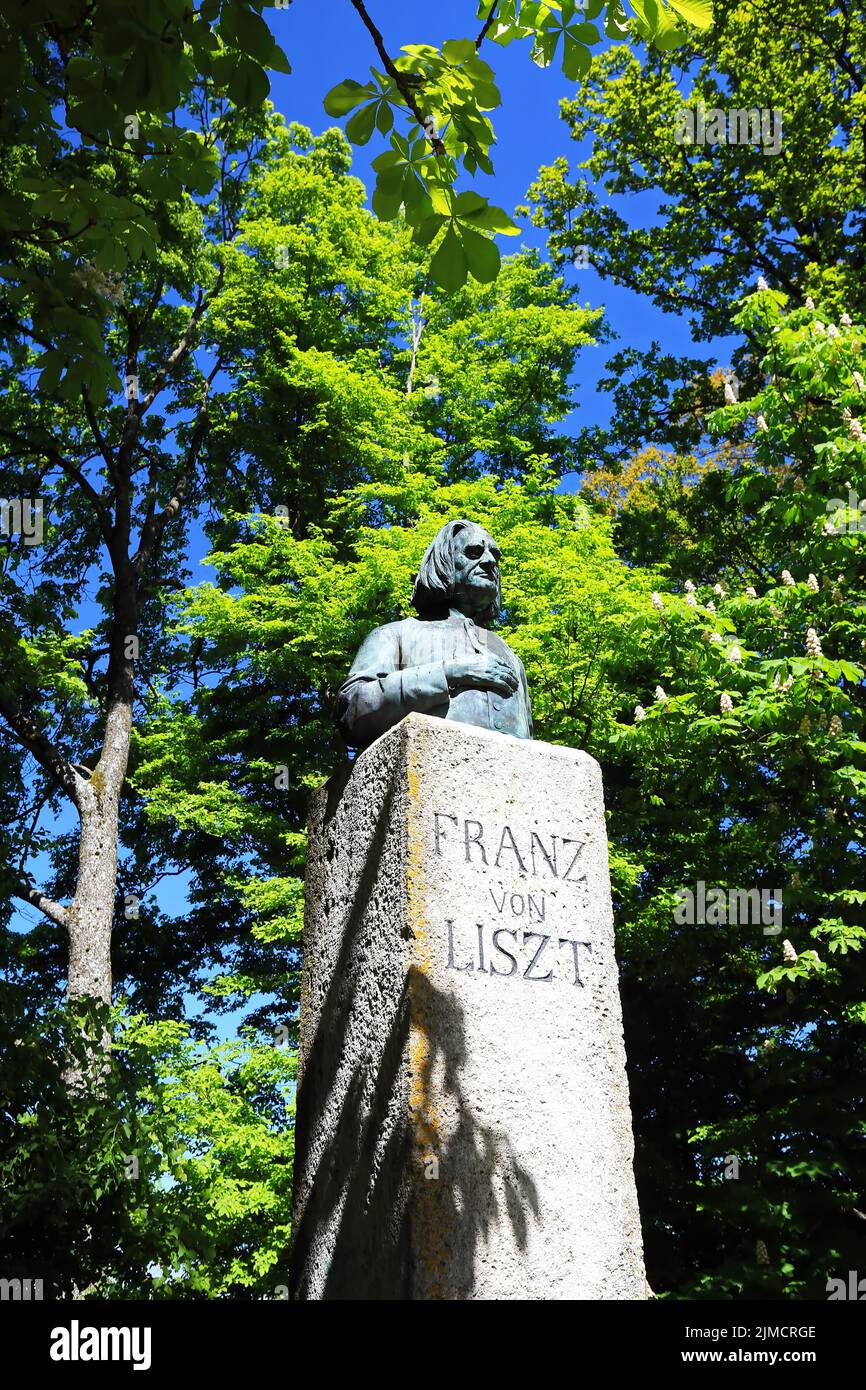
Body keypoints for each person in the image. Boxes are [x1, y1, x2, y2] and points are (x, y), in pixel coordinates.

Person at [336, 519, 533, 748]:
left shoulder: (510, 656)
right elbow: (351, 710)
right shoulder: (396, 634)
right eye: (473, 552)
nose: (489, 561)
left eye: (495, 556)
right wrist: (450, 672)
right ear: (445, 562)